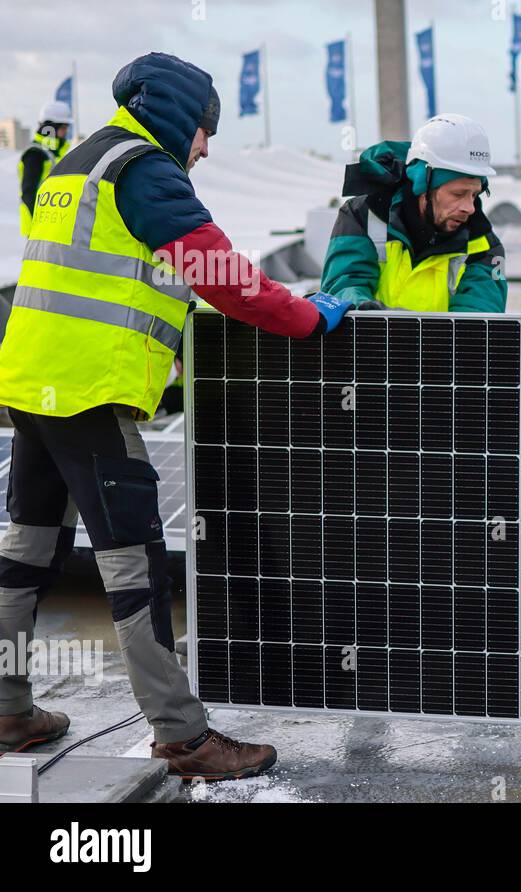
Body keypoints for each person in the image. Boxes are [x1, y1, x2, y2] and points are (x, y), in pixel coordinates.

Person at [0, 53, 350, 779]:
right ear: (176, 116)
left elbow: (116, 271)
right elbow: (224, 277)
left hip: (30, 387)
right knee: (136, 572)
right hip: (90, 396)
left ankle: (6, 709)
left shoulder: (76, 163)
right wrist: (308, 318)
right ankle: (185, 737)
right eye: (203, 130)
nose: (205, 148)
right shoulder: (146, 169)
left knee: (24, 560)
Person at [320, 113, 507, 312]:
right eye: (458, 193)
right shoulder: (362, 217)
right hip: (371, 344)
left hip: (438, 345)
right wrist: (370, 315)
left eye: (474, 194)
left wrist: (400, 328)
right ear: (422, 185)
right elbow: (342, 289)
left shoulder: (485, 247)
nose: (469, 207)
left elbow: (478, 321)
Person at [17, 100, 74, 238]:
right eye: (63, 127)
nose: (65, 132)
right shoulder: (35, 154)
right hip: (39, 227)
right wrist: (40, 223)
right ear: (51, 127)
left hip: (51, 226)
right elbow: (28, 192)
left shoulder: (52, 154)